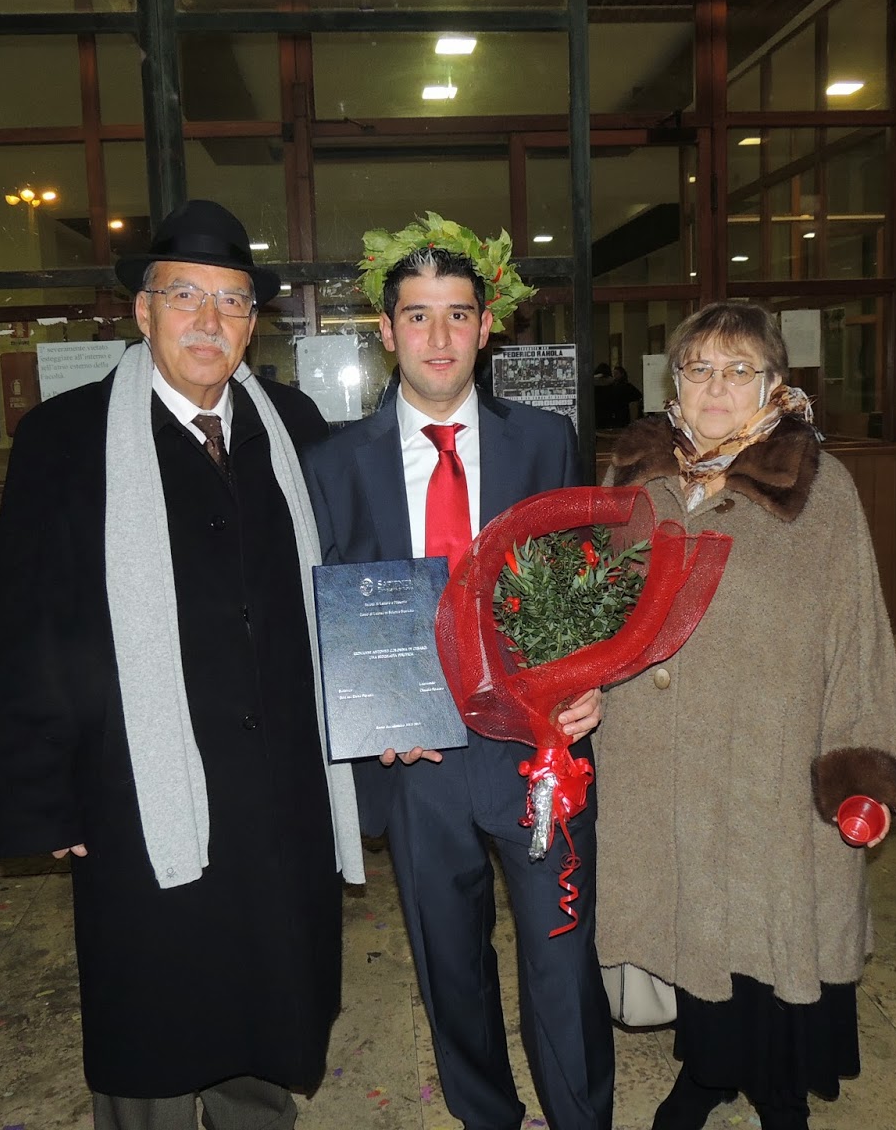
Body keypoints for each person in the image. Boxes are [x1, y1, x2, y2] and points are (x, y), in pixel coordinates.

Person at [0, 198, 363, 1130]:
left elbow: (343, 586)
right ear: (143, 311)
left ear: (251, 322)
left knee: (266, 996)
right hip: (134, 785)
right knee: (152, 1007)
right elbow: (28, 628)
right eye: (184, 295)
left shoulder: (294, 425)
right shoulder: (66, 439)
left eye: (231, 301)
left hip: (275, 785)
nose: (208, 319)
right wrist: (43, 800)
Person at [301, 217, 615, 1130]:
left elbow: (580, 579)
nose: (438, 337)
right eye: (417, 315)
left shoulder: (545, 442)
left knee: (563, 962)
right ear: (387, 329)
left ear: (486, 326)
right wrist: (365, 713)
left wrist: (589, 677)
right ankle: (487, 1117)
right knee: (450, 964)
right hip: (416, 763)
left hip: (535, 750)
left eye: (457, 314)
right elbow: (322, 612)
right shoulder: (334, 464)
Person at [594, 301, 896, 1130]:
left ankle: (779, 1094)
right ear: (674, 382)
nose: (717, 387)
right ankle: (705, 1073)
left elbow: (859, 635)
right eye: (699, 369)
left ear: (775, 384)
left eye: (739, 370)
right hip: (659, 760)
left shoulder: (818, 487)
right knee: (692, 925)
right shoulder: (636, 476)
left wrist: (864, 768)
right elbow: (595, 610)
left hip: (767, 760)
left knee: (768, 926)